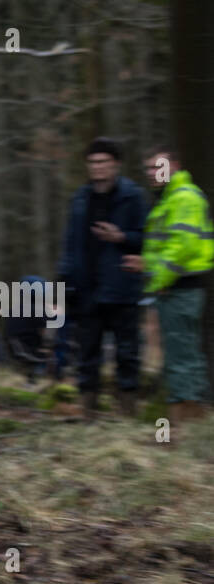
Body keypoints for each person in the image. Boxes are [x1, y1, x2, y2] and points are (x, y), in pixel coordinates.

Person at [56, 137, 147, 417]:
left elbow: (149, 240)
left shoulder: (133, 197)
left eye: (103, 162)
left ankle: (127, 413)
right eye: (93, 163)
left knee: (127, 353)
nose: (98, 168)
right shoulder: (81, 198)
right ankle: (89, 414)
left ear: (116, 164)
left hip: (122, 288)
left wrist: (121, 237)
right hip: (87, 290)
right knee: (87, 354)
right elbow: (71, 242)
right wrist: (65, 280)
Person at [123, 146, 213, 423]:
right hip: (174, 288)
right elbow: (167, 251)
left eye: (157, 166)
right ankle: (193, 422)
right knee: (182, 354)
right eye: (148, 168)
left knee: (180, 358)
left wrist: (159, 280)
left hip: (179, 289)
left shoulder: (184, 198)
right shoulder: (168, 200)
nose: (152, 173)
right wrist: (147, 266)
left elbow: (181, 248)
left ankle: (182, 425)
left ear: (174, 165)